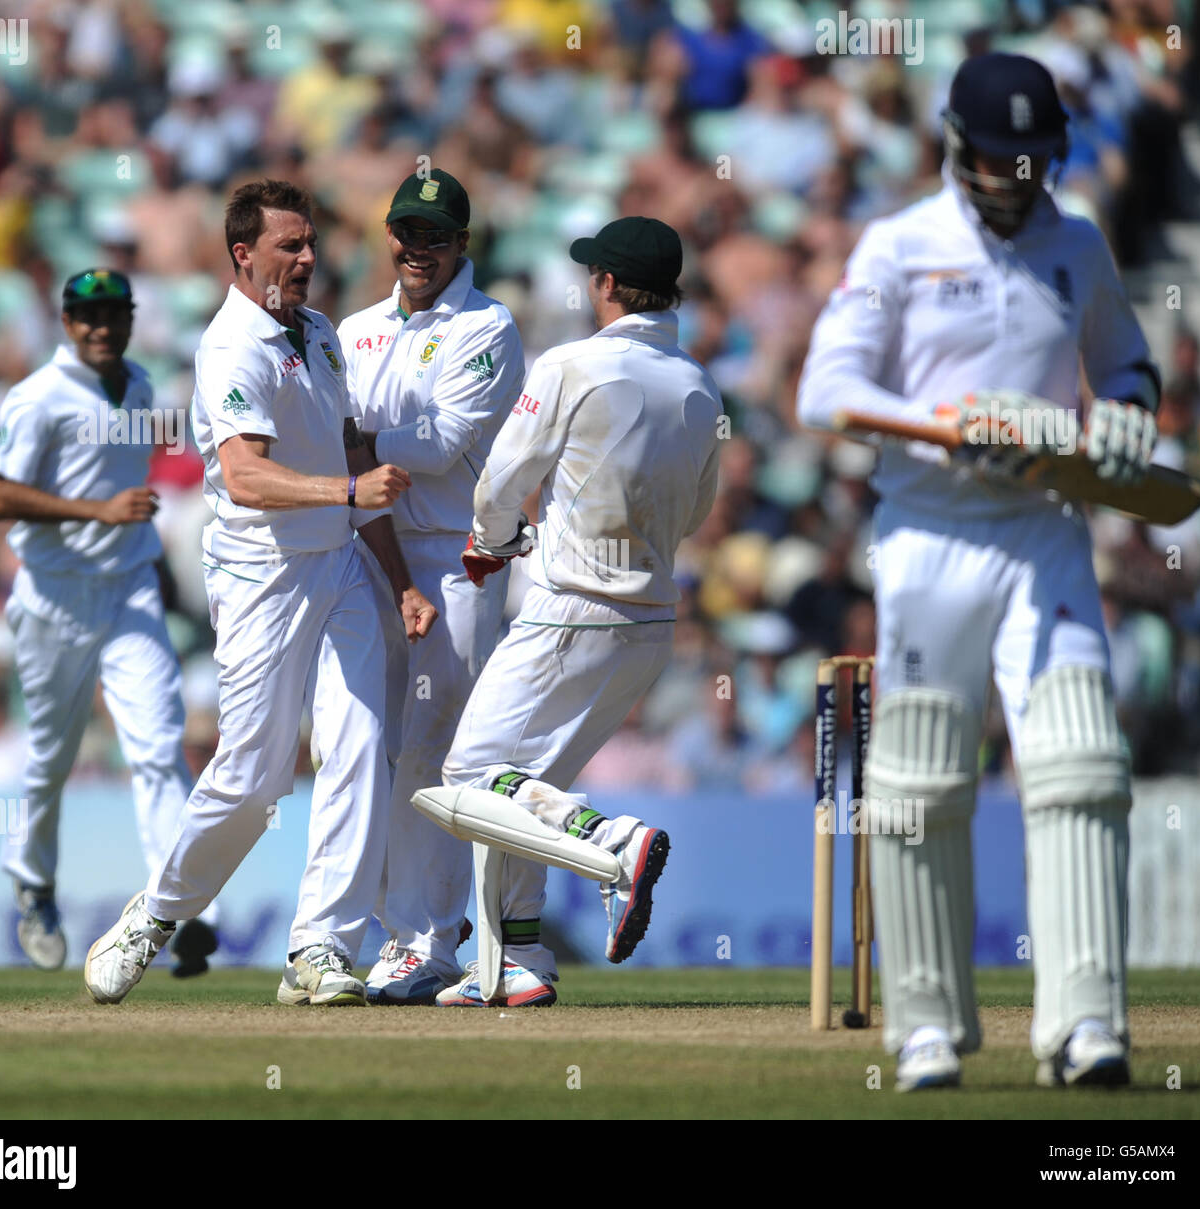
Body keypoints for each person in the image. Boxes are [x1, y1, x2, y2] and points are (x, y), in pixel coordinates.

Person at [797, 53, 1160, 1090]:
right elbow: (827, 393)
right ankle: (924, 1028)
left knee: (1082, 764)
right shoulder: (900, 245)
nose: (1014, 180)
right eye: (996, 159)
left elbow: (1126, 359)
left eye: (1030, 161)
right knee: (915, 785)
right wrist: (957, 427)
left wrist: (1127, 413)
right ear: (957, 148)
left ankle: (1086, 1027)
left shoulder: (1076, 241)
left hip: (1042, 531)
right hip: (929, 539)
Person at [84, 180, 437, 1006]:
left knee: (358, 744)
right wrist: (349, 498)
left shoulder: (317, 333)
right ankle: (158, 911)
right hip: (261, 576)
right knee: (254, 774)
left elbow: (355, 458)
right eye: (290, 246)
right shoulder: (230, 345)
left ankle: (319, 948)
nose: (309, 257)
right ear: (244, 255)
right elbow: (243, 475)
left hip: (341, 563)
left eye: (310, 242)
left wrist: (400, 577)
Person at [412, 216, 723, 1007]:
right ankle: (520, 958)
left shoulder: (572, 365)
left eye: (594, 277)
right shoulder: (698, 383)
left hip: (569, 611)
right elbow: (696, 511)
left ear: (608, 285)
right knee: (527, 783)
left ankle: (612, 841)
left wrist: (493, 540)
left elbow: (500, 480)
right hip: (650, 620)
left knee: (471, 775)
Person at [0, 268, 216, 978]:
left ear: (131, 317)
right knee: (52, 754)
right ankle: (33, 881)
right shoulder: (38, 397)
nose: (100, 326)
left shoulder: (141, 385)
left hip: (129, 588)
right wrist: (98, 511)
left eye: (113, 312)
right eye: (87, 315)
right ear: (65, 321)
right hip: (54, 594)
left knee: (157, 742)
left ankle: (176, 905)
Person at [335, 169, 525, 1004]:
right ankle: (386, 933)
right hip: (368, 545)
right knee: (358, 746)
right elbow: (337, 446)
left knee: (433, 749)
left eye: (436, 235)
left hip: (455, 557)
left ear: (463, 243)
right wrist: (344, 445)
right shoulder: (356, 327)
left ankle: (430, 938)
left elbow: (444, 443)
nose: (419, 249)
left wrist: (352, 435)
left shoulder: (488, 325)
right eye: (407, 232)